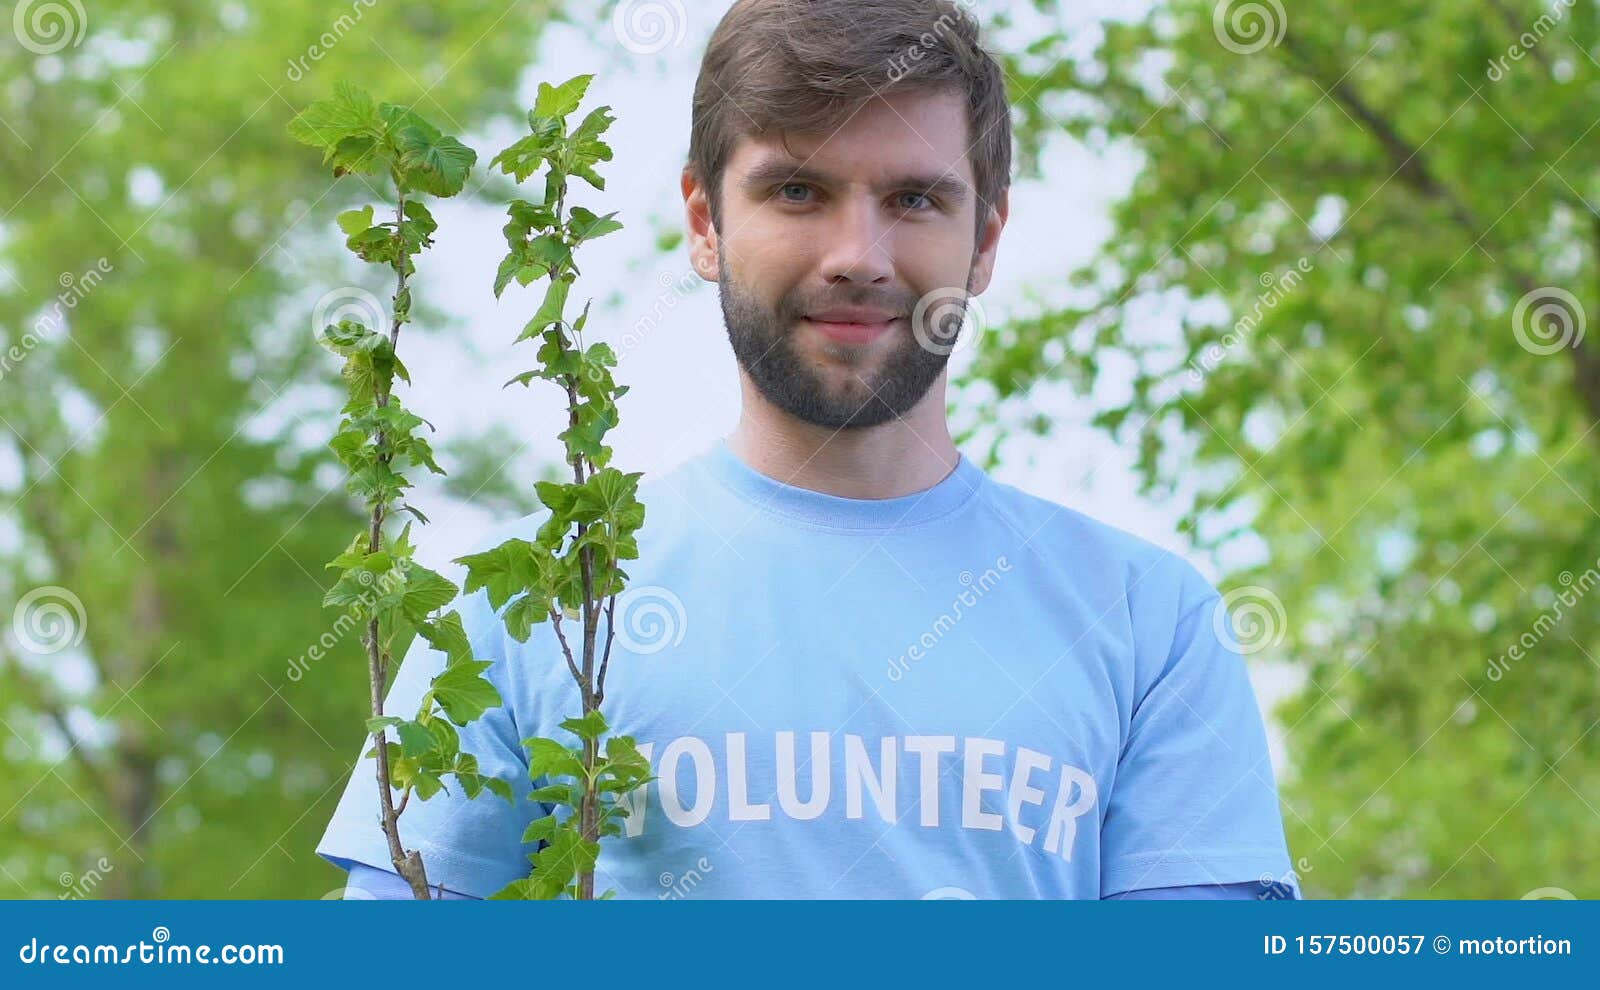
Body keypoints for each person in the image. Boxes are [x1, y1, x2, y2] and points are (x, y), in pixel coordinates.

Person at [317, 0, 1301, 901]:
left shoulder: (1148, 624)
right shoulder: (533, 603)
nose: (857, 255)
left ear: (986, 238)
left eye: (914, 200)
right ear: (705, 221)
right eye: (797, 191)